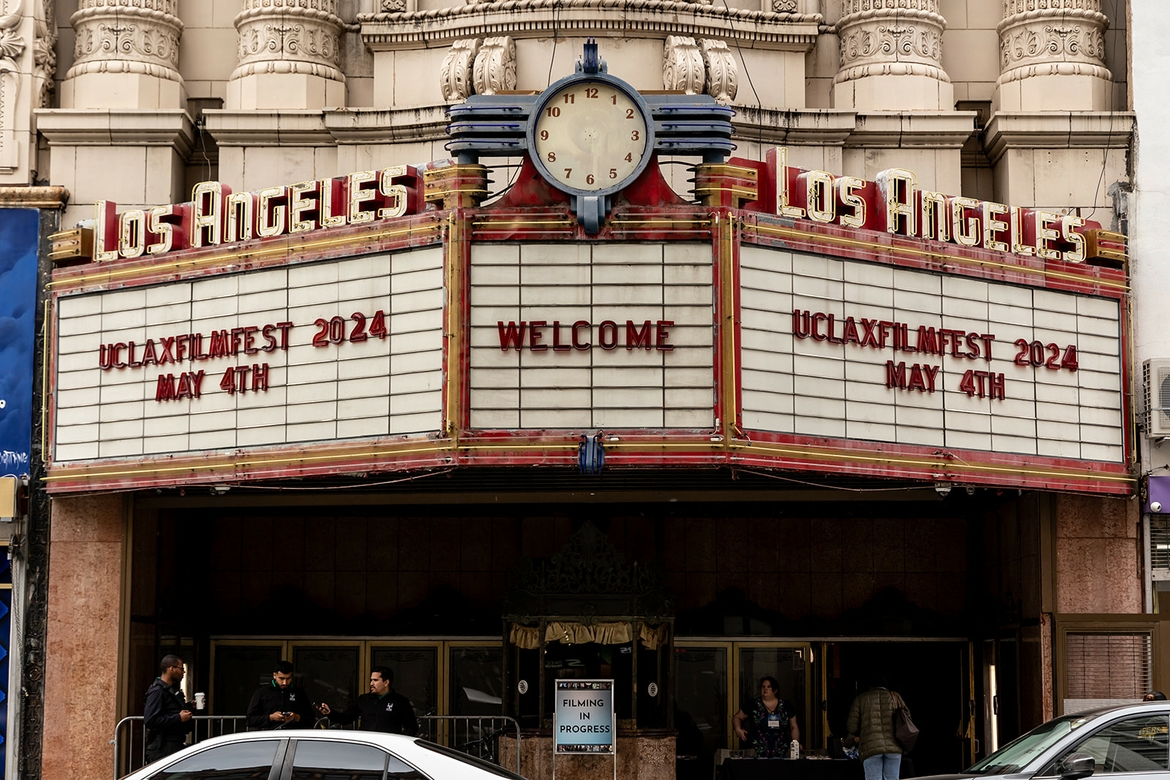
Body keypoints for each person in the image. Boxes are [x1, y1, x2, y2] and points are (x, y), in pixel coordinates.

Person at [318, 667, 418, 734]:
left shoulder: (400, 701)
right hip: (367, 746)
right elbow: (345, 718)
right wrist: (330, 713)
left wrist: (397, 742)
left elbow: (412, 727)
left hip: (388, 749)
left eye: (375, 680)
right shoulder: (364, 700)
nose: (371, 683)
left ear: (386, 682)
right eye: (371, 680)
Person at [846, 676, 908, 780]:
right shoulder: (895, 697)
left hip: (870, 746)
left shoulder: (861, 699)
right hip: (894, 746)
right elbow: (907, 719)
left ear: (870, 685)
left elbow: (851, 727)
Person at [144, 654, 195, 763]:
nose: (183, 672)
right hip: (162, 748)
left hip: (173, 746)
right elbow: (150, 720)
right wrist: (178, 718)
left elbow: (171, 711)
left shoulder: (170, 690)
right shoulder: (158, 691)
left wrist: (190, 707)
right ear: (171, 669)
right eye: (181, 668)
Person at [732, 676, 800, 758]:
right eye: (763, 686)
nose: (765, 689)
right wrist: (738, 728)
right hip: (756, 749)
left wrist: (795, 744)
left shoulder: (786, 705)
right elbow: (737, 717)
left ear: (775, 690)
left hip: (781, 749)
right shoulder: (752, 704)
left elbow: (793, 726)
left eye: (769, 686)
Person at [246, 660, 323, 730]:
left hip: (293, 735)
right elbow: (250, 720)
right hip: (269, 735)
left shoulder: (299, 693)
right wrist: (270, 717)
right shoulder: (261, 693)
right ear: (274, 675)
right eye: (281, 678)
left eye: (288, 678)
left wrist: (297, 717)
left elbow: (311, 719)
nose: (285, 682)